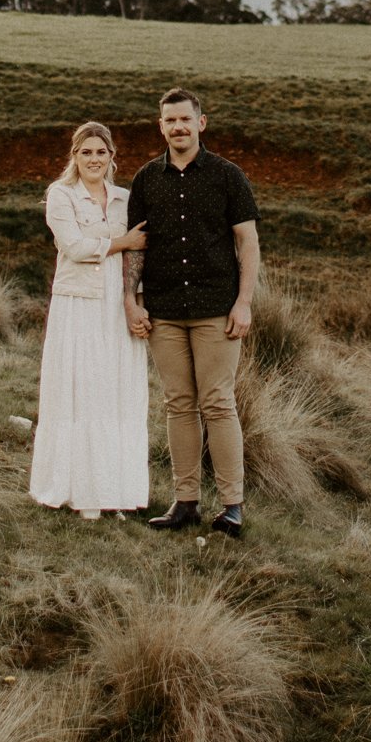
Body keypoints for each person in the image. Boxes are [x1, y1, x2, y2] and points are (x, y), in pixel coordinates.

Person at [123, 86, 260, 539]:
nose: (178, 127)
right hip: (163, 309)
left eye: (185, 119)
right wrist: (131, 299)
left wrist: (244, 302)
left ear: (201, 123)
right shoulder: (146, 179)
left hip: (216, 310)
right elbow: (136, 247)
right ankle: (185, 503)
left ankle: (232, 506)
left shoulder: (227, 176)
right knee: (178, 404)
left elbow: (248, 242)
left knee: (218, 403)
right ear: (160, 126)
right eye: (170, 120)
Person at [28, 120, 150, 519]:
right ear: (75, 156)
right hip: (78, 304)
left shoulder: (125, 199)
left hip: (116, 303)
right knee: (82, 389)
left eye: (101, 152)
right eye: (86, 152)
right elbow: (75, 247)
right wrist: (122, 241)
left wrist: (137, 301)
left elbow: (139, 255)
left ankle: (114, 489)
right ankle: (80, 491)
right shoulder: (60, 195)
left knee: (115, 390)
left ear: (112, 156)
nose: (94, 159)